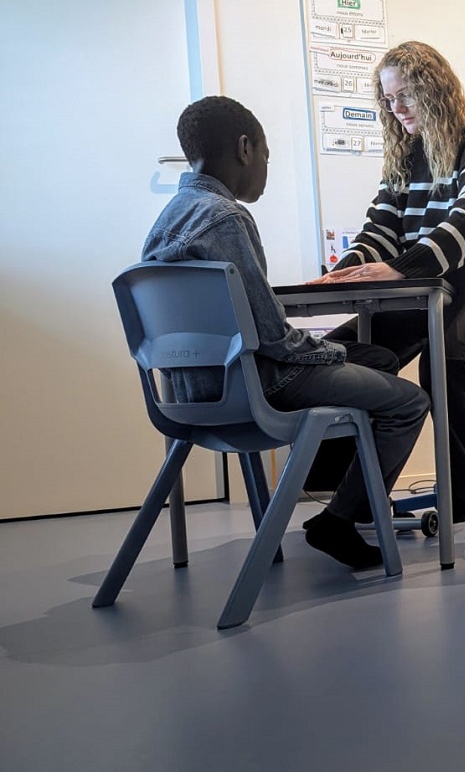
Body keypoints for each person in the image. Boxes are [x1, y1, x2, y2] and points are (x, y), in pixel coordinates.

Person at [143, 96, 431, 570]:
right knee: (408, 402)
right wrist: (328, 352)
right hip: (256, 386)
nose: (265, 169)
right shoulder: (228, 217)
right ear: (244, 148)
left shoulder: (168, 218)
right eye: (267, 156)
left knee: (376, 358)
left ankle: (335, 495)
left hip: (184, 391)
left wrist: (336, 352)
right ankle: (337, 520)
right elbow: (273, 340)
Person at [311, 41, 465, 560]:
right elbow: (378, 232)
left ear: (434, 90)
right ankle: (349, 506)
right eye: (389, 101)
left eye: (406, 96)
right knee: (342, 354)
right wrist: (343, 274)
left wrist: (401, 267)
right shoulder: (403, 161)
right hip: (432, 288)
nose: (397, 109)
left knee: (445, 360)